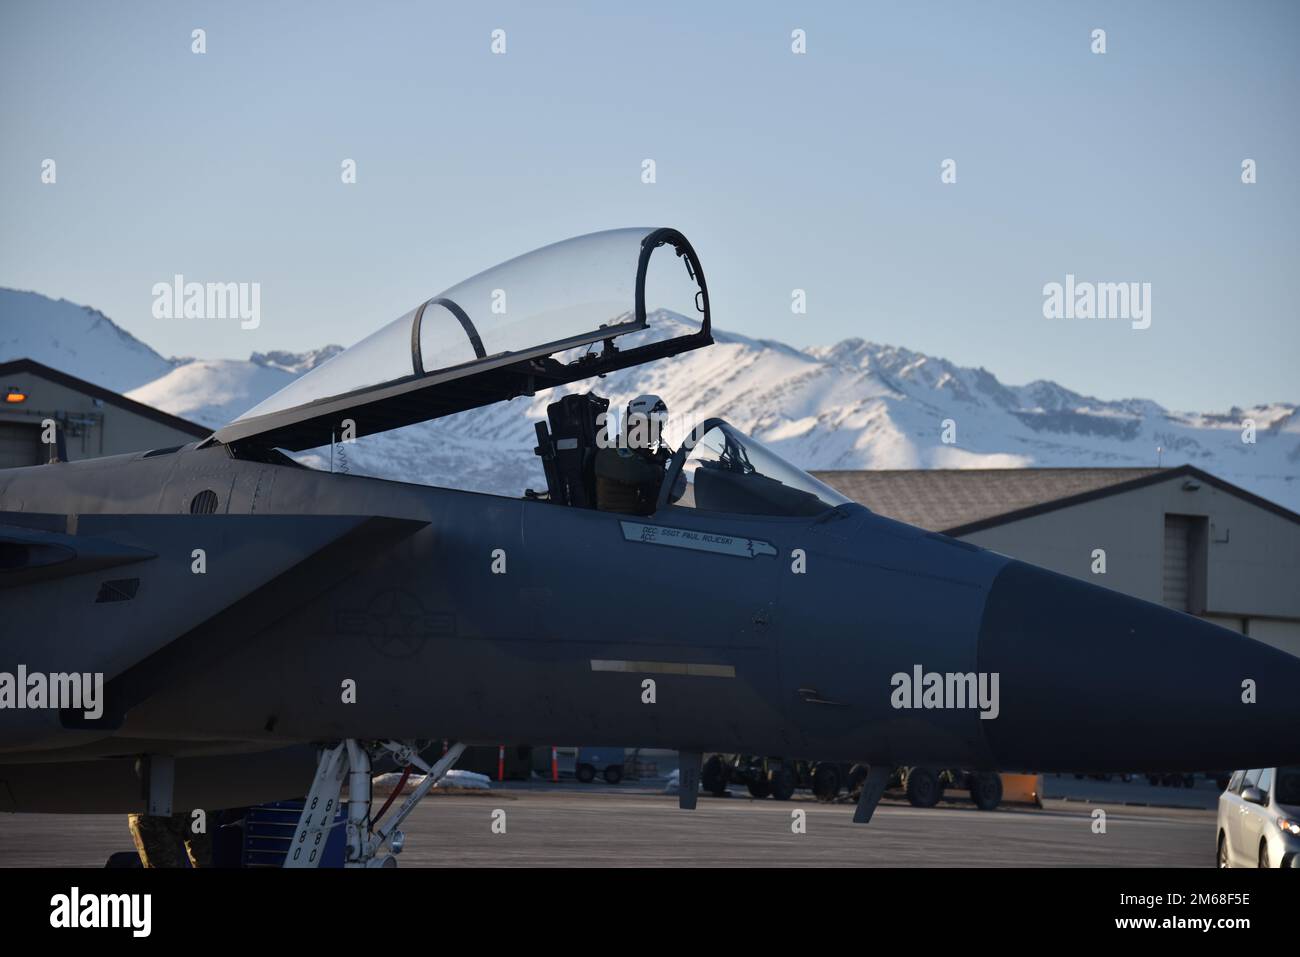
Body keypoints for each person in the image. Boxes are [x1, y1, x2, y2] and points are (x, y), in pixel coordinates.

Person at [595, 395, 670, 515]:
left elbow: (668, 496)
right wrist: (662, 470)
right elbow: (634, 472)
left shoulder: (643, 456)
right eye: (646, 425)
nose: (650, 431)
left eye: (655, 426)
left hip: (634, 524)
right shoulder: (613, 450)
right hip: (611, 525)